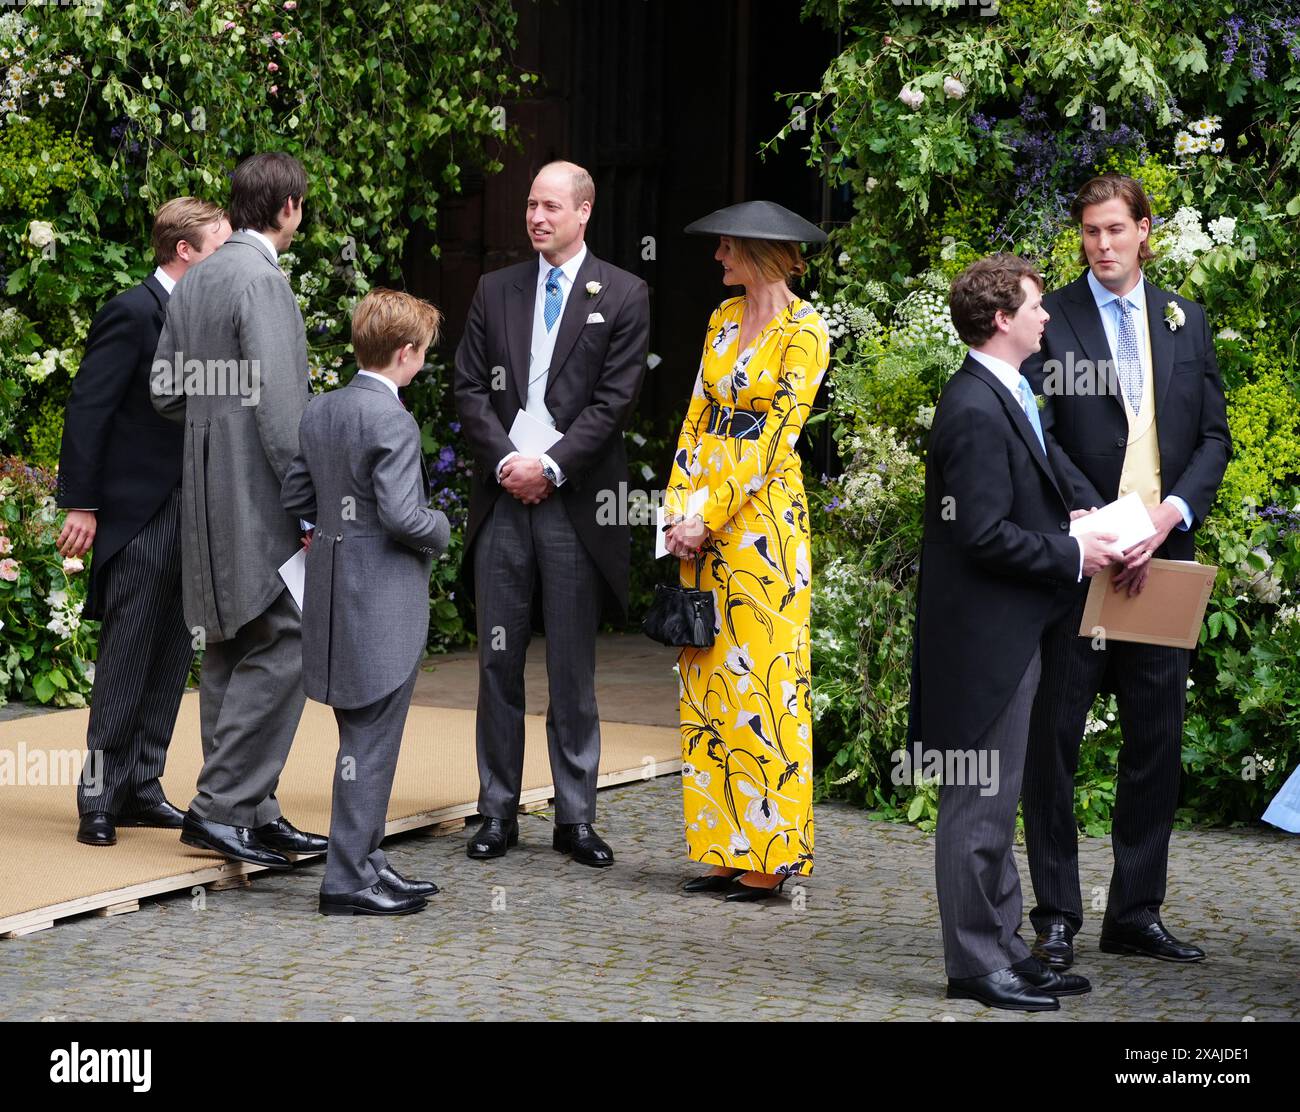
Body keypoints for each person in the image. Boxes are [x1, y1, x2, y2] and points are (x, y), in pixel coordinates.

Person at [1021, 174, 1231, 969]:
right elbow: (1041, 430)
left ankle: (1135, 912)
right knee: (1055, 741)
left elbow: (1213, 438)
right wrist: (1103, 525)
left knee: (1157, 740)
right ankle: (1056, 917)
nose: (1101, 245)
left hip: (1164, 560)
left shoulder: (1186, 319)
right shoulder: (1053, 318)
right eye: (1089, 232)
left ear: (1146, 230)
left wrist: (1169, 516)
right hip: (1079, 561)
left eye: (1114, 229)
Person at [920, 254, 1120, 1011]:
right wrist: (1073, 551)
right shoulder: (973, 405)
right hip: (982, 639)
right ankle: (974, 962)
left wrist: (1065, 521)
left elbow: (1010, 510)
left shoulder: (1006, 392)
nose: (1046, 317)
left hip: (1011, 629)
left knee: (998, 801)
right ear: (1002, 319)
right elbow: (977, 534)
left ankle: (1004, 945)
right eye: (1035, 307)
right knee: (976, 803)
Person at [453, 160, 650, 867]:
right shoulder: (494, 289)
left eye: (550, 207)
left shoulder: (624, 292)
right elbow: (469, 387)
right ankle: (497, 811)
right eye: (531, 206)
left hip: (572, 505)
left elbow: (615, 401)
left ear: (584, 212)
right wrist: (509, 461)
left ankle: (575, 818)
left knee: (572, 668)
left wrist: (553, 465)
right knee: (497, 664)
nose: (536, 218)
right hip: (503, 497)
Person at [151, 152, 326, 869]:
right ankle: (223, 807)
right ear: (289, 208)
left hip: (204, 487)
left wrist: (216, 415)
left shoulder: (200, 276)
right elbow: (284, 414)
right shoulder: (260, 278)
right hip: (259, 491)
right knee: (285, 642)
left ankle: (254, 812)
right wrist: (311, 505)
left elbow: (165, 390)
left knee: (229, 646)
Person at [665, 200, 828, 901]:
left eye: (727, 246)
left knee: (766, 681)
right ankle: (725, 846)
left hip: (763, 527)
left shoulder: (806, 329)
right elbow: (696, 416)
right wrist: (677, 510)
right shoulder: (721, 321)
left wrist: (713, 514)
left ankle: (773, 853)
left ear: (761, 252)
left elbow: (774, 437)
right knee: (708, 680)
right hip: (702, 520)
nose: (717, 257)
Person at [58, 198, 230, 847]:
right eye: (219, 244)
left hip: (198, 511)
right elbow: (88, 407)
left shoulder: (210, 320)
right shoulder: (132, 311)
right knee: (128, 652)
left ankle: (143, 785)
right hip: (139, 515)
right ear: (184, 250)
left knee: (171, 651)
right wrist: (82, 502)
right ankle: (99, 796)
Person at [281, 289, 451, 916]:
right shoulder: (391, 418)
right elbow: (406, 517)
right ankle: (349, 877)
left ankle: (369, 861)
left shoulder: (322, 409)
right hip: (380, 601)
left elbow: (297, 491)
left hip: (330, 594)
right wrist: (442, 528)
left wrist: (326, 528)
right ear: (405, 352)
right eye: (423, 353)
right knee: (371, 743)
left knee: (361, 735)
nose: (423, 362)